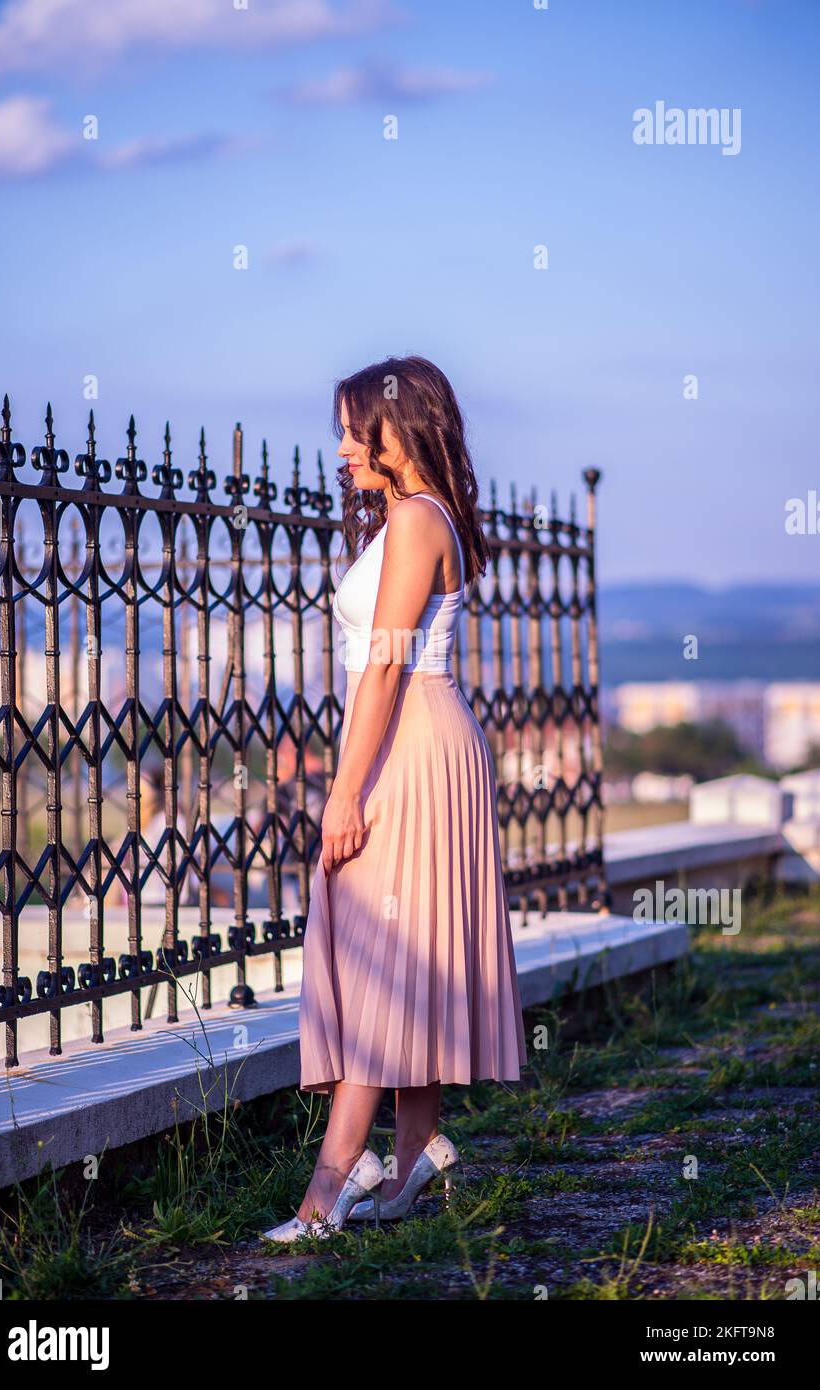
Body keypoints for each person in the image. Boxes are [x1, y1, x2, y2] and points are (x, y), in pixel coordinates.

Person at [262, 357, 527, 1242]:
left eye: (352, 429)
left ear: (398, 427)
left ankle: (331, 1181)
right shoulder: (410, 517)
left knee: (378, 955)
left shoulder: (416, 519)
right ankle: (413, 1149)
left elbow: (382, 662)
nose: (340, 447)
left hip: (408, 742)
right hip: (412, 736)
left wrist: (342, 792)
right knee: (398, 949)